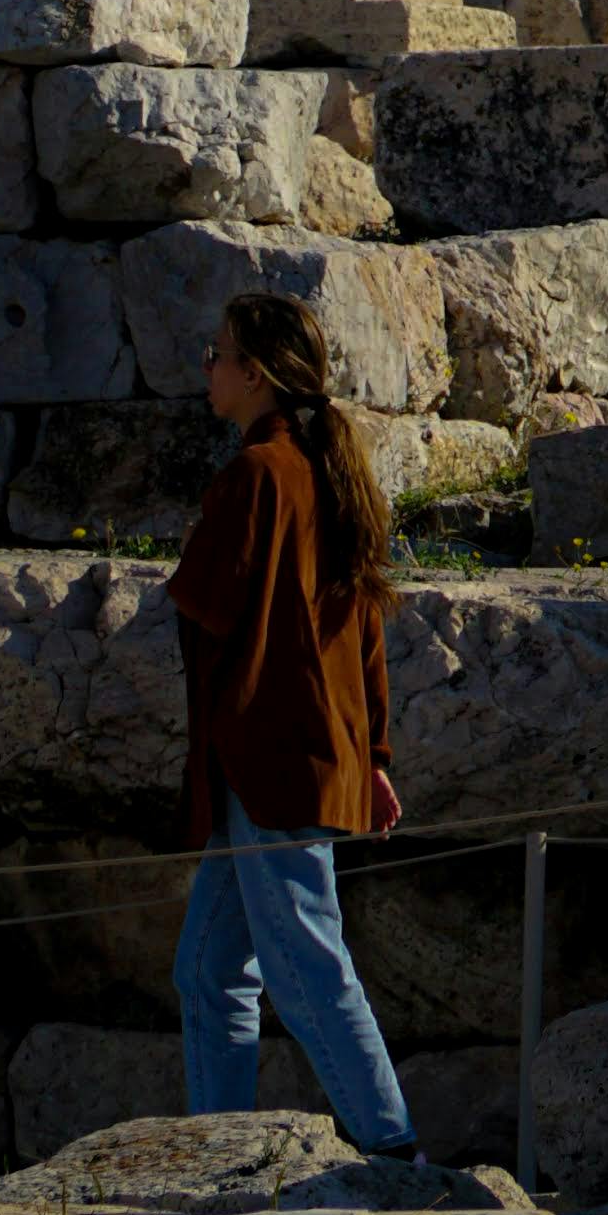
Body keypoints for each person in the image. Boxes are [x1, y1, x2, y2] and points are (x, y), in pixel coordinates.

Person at [167, 290, 420, 1162]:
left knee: (307, 970)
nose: (209, 367)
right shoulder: (325, 469)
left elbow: (206, 605)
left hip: (267, 759)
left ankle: (394, 1151)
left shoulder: (259, 476)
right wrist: (373, 754)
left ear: (256, 373)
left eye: (219, 352)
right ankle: (217, 1159)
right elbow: (364, 629)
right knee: (207, 972)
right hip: (309, 754)